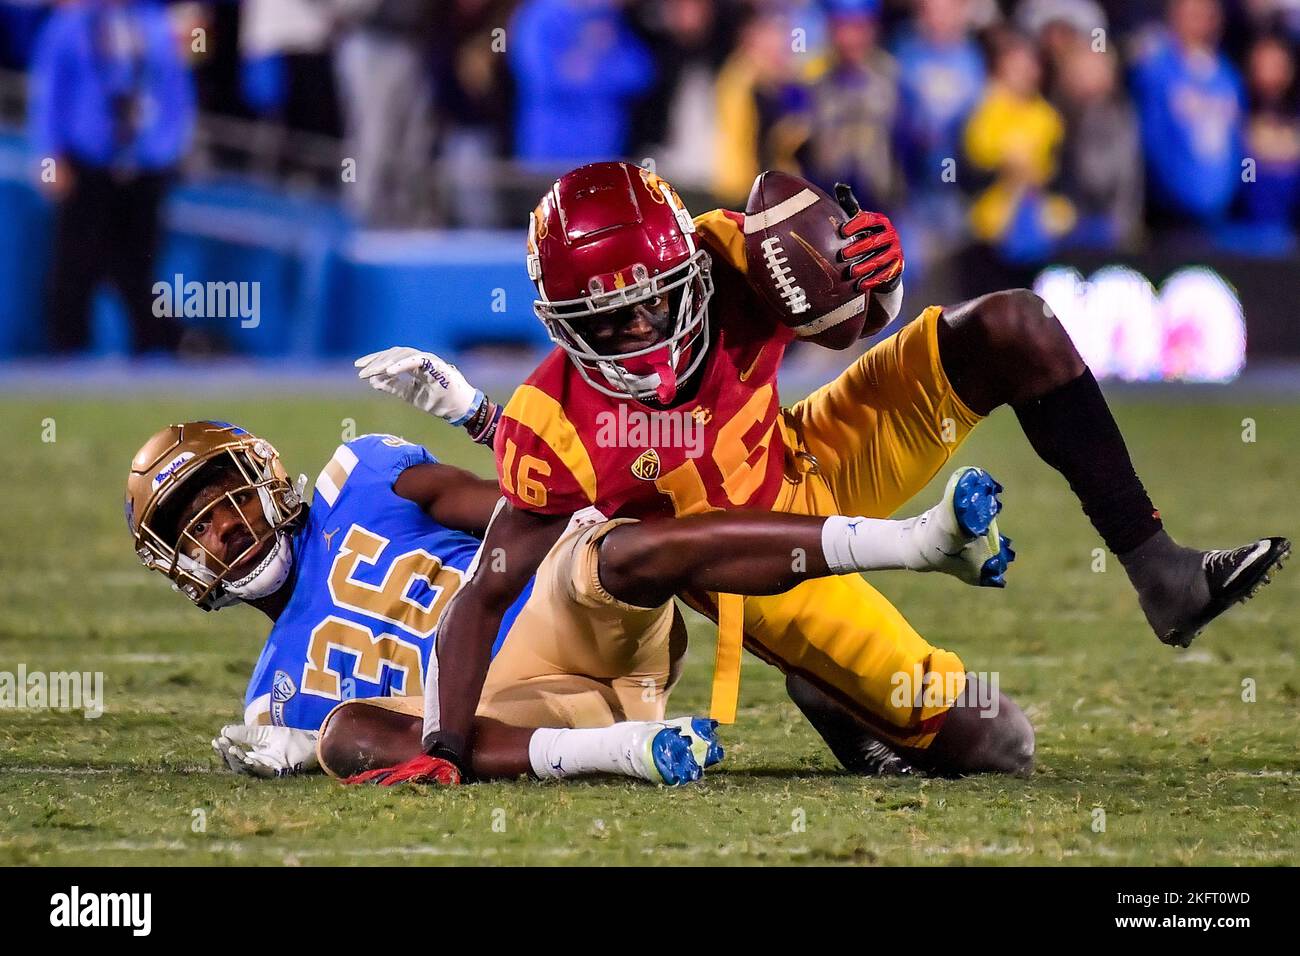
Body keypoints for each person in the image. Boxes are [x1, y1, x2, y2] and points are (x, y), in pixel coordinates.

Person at [363, 162, 1287, 787]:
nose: (640, 336)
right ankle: (834, 692)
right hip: (764, 572)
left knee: (1015, 328)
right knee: (995, 739)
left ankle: (1161, 569)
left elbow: (847, 317)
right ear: (560, 324)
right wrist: (444, 745)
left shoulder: (734, 251)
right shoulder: (552, 421)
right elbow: (487, 591)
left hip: (810, 450)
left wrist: (874, 274)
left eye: (652, 307)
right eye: (607, 323)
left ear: (688, 262)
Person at [126, 416, 1014, 784]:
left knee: (619, 540)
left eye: (226, 498)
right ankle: (632, 751)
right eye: (193, 526)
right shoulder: (270, 699)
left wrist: (485, 418)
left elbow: (533, 505)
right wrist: (311, 751)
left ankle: (912, 543)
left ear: (264, 476)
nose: (224, 530)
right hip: (514, 714)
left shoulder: (364, 476)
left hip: (558, 611)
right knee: (345, 736)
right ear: (176, 563)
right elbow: (404, 746)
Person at [28, 0, 195, 354]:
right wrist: (48, 155)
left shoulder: (157, 25)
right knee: (75, 270)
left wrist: (171, 149)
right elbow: (48, 92)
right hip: (87, 164)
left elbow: (176, 92)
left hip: (144, 167)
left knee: (139, 272)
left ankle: (156, 358)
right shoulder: (69, 25)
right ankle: (65, 360)